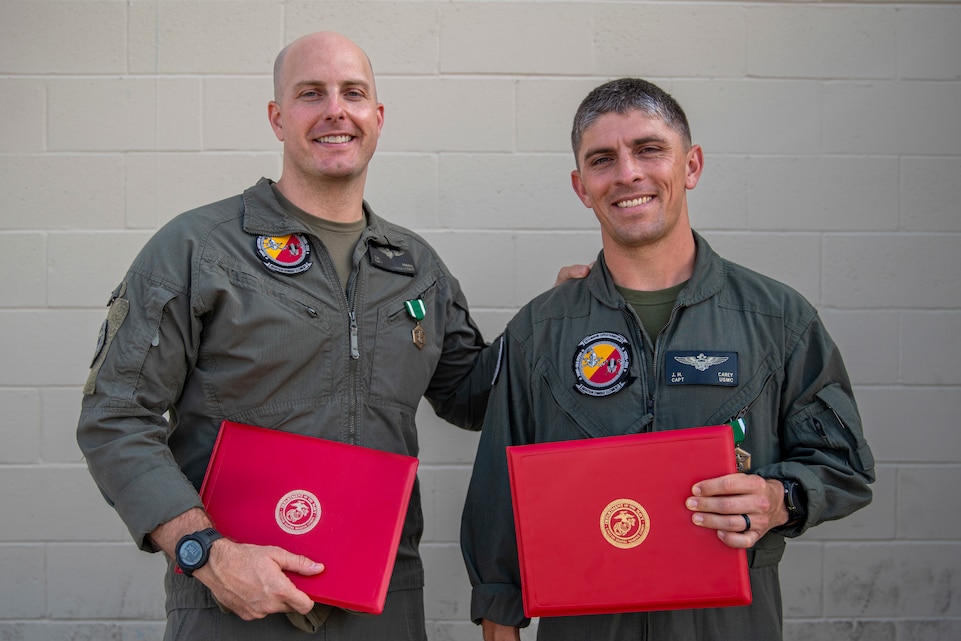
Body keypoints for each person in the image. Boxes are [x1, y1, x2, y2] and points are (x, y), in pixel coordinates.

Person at [77, 31, 583, 640]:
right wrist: (206, 554)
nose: (334, 110)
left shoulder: (415, 267)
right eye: (311, 94)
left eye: (353, 93)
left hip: (383, 603)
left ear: (378, 117)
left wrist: (556, 320)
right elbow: (114, 415)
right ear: (278, 118)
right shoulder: (199, 249)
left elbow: (472, 394)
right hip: (236, 603)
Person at [460, 78, 875, 641]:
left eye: (649, 149)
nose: (628, 173)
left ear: (692, 166)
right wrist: (498, 622)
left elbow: (844, 465)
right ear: (582, 187)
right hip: (586, 625)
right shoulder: (542, 330)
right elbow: (497, 495)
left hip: (729, 625)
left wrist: (779, 498)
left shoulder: (778, 320)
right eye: (603, 159)